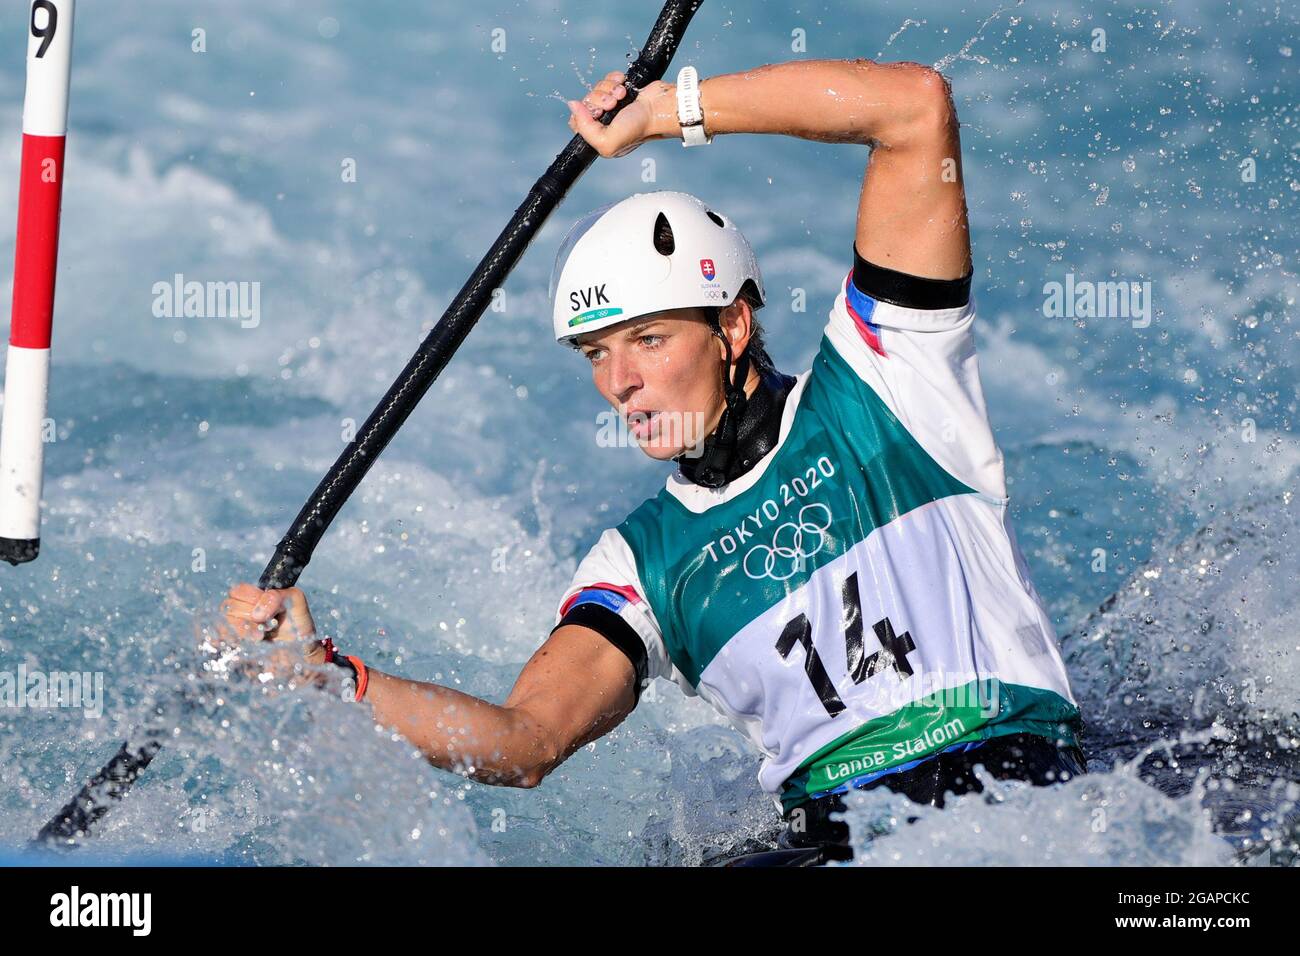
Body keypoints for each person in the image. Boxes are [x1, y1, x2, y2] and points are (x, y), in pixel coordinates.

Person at [221, 57, 1086, 865]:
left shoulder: (889, 379)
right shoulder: (639, 564)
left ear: (732, 329)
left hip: (1018, 786)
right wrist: (330, 675)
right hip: (835, 834)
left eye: (648, 339)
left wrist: (667, 115)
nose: (620, 382)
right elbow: (526, 743)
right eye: (596, 353)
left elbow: (913, 108)